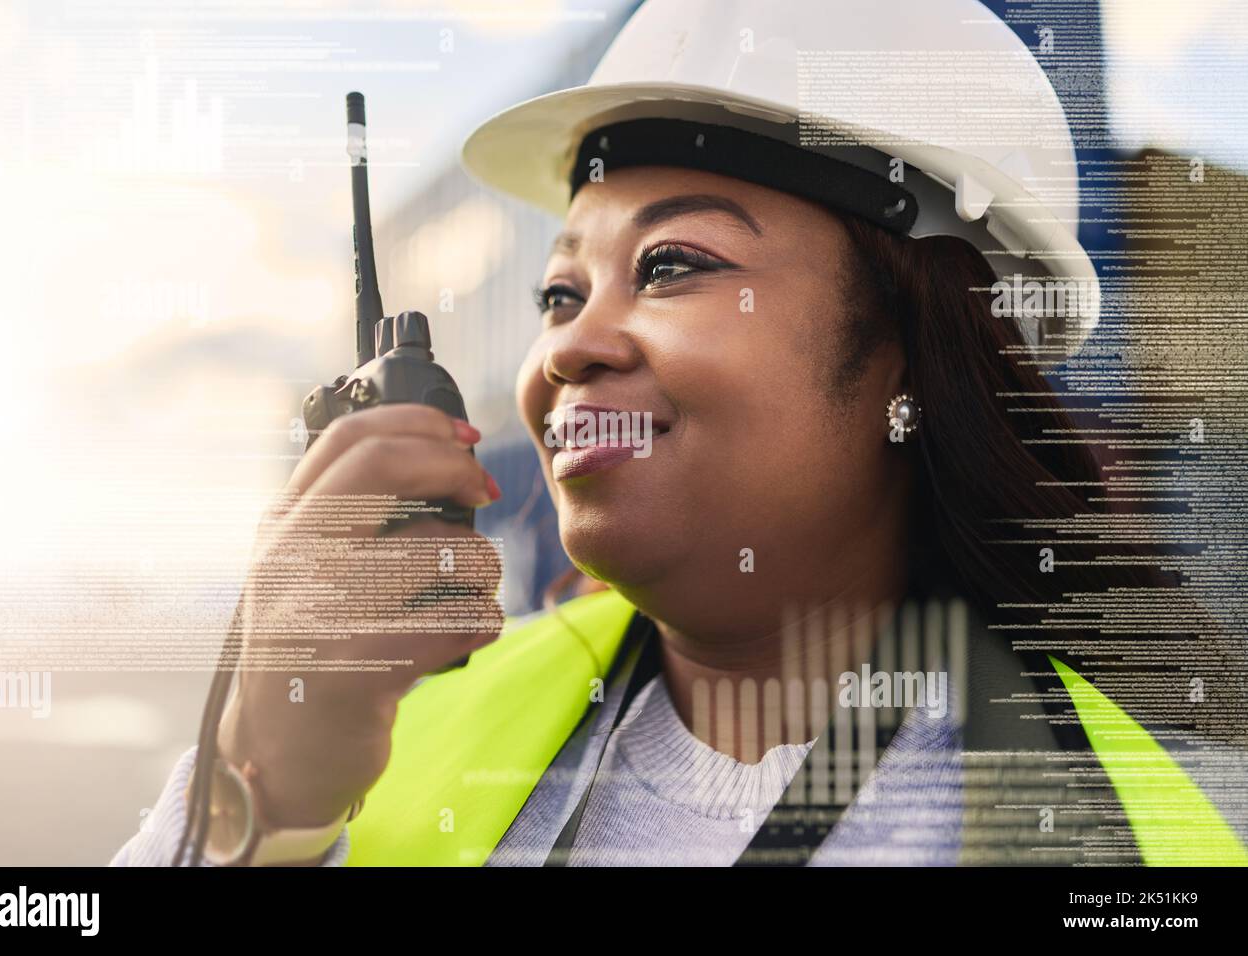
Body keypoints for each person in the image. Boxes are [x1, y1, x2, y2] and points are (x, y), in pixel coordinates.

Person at [113, 0, 1248, 867]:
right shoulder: (390, 734)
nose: (569, 345)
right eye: (559, 294)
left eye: (672, 266)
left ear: (914, 351)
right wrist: (254, 799)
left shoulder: (1160, 833)